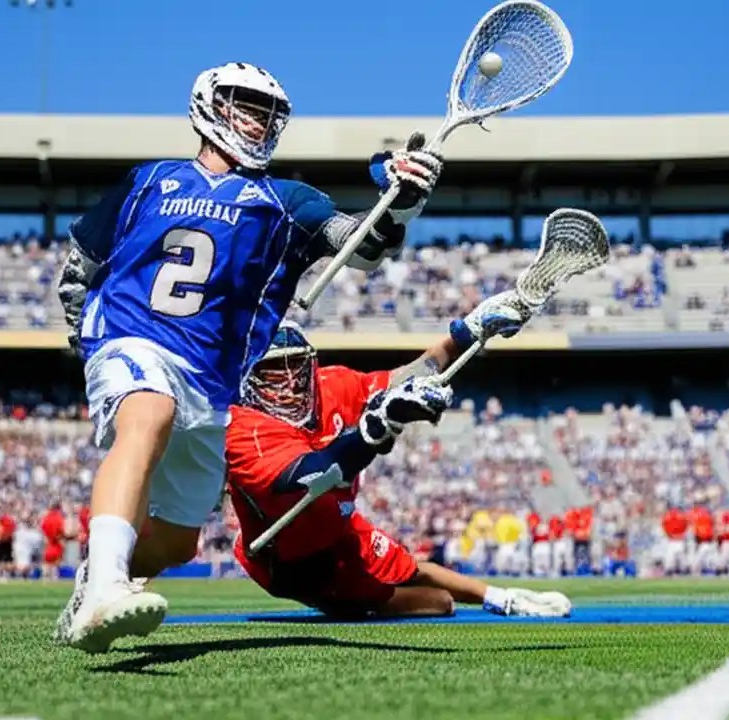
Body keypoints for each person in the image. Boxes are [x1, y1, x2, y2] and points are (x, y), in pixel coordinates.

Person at [53, 61, 445, 652]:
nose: (258, 122)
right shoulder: (147, 181)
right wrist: (87, 336)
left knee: (180, 540)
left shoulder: (284, 200)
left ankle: (95, 582)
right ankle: (109, 584)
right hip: (133, 337)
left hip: (210, 379)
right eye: (246, 107)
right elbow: (81, 265)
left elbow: (362, 247)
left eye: (267, 113)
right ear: (210, 108)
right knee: (148, 414)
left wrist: (402, 201)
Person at [226, 315, 571, 620]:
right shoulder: (242, 426)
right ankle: (348, 603)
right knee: (438, 603)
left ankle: (504, 598)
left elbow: (411, 374)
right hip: (292, 556)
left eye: (295, 367)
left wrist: (465, 334)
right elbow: (310, 475)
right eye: (272, 373)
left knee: (408, 568)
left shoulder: (333, 384)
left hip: (340, 528)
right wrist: (373, 428)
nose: (288, 383)